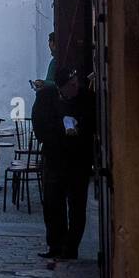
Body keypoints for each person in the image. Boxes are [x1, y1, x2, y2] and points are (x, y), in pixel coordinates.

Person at [31, 66, 95, 260]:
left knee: (76, 205)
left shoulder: (86, 98)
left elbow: (92, 122)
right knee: (52, 203)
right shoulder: (46, 98)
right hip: (54, 158)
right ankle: (55, 245)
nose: (76, 88)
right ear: (62, 87)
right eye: (72, 85)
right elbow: (39, 125)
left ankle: (71, 247)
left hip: (78, 160)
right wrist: (60, 131)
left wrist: (78, 128)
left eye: (76, 84)